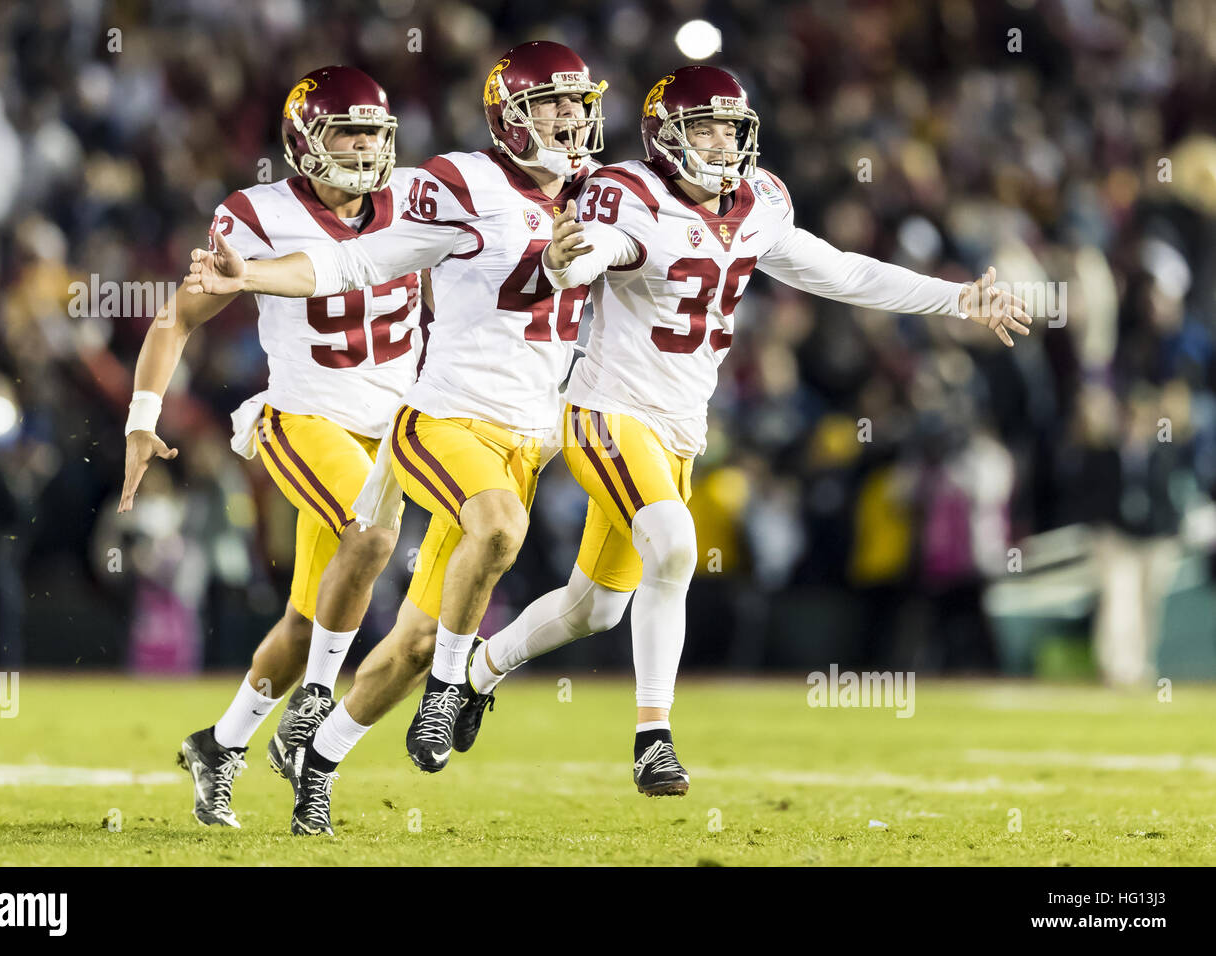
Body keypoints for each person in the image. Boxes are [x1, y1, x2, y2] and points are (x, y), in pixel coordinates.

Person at [464, 66, 1034, 796]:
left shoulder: (759, 202)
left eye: (732, 126)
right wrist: (576, 261)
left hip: (674, 428)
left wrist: (958, 298)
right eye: (704, 125)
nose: (723, 140)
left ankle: (477, 672)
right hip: (605, 412)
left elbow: (846, 274)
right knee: (673, 543)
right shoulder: (628, 194)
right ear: (666, 136)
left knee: (595, 607)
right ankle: (653, 739)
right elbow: (597, 252)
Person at [183, 41, 608, 835]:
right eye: (552, 103)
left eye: (580, 104)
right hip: (425, 417)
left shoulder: (608, 193)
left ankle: (277, 748)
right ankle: (431, 686)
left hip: (509, 430)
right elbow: (355, 258)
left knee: (380, 635)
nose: (572, 119)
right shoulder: (456, 181)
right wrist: (251, 278)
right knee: (418, 537)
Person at [121, 66, 424, 827]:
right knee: (374, 527)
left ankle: (219, 746)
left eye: (372, 132)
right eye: (345, 131)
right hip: (303, 418)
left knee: (303, 623)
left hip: (392, 431)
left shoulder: (423, 199)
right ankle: (313, 711)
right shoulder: (257, 214)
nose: (362, 148)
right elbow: (176, 319)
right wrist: (140, 417)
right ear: (302, 142)